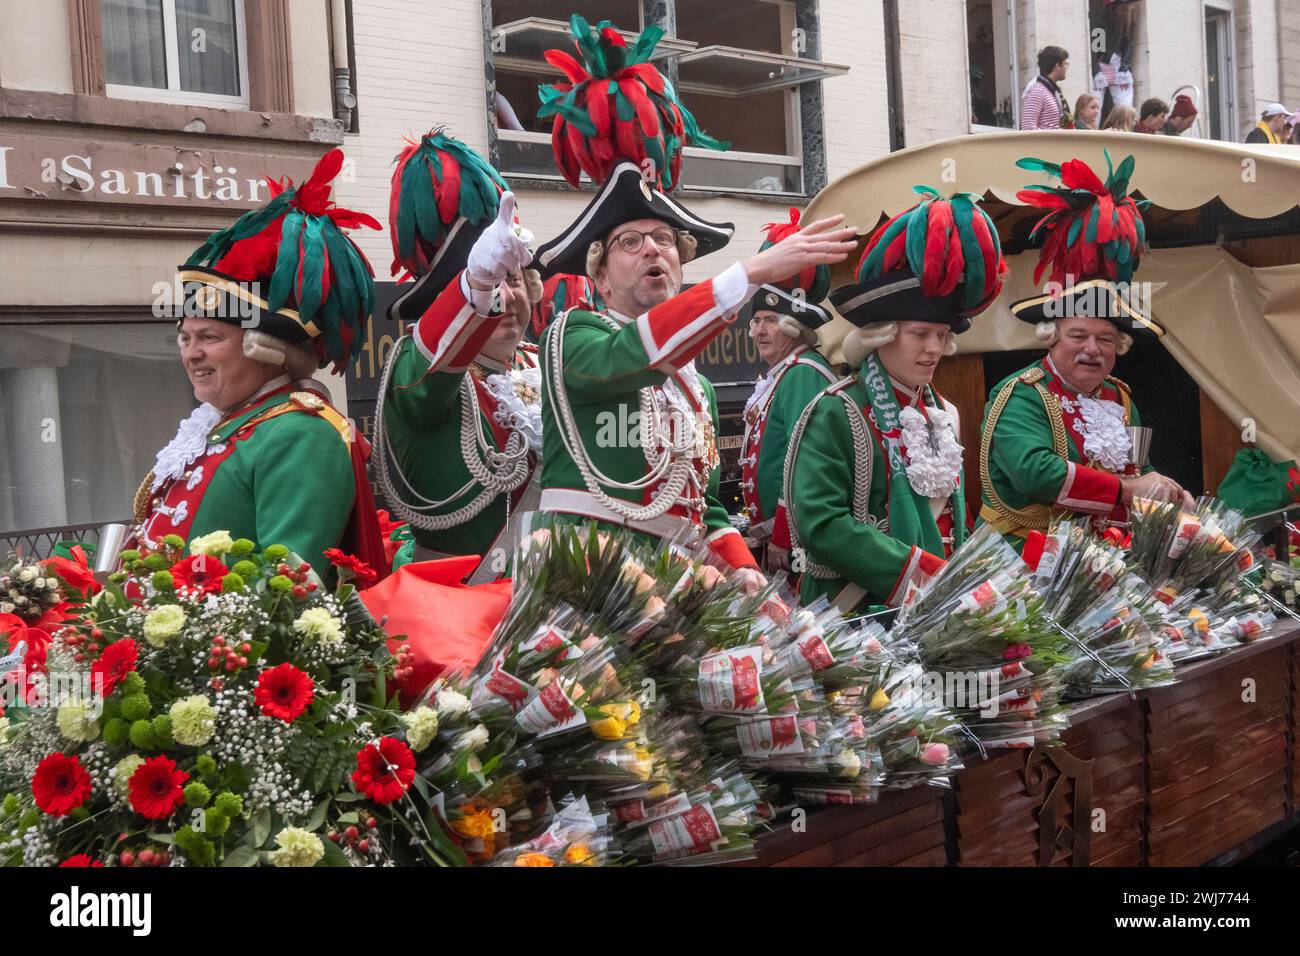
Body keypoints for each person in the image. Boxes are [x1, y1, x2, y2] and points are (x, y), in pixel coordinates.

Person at [527, 18, 857, 592]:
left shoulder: (695, 387)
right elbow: (631, 355)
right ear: (598, 276)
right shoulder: (572, 337)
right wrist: (750, 273)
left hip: (671, 600)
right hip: (581, 592)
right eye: (631, 242)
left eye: (666, 241)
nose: (654, 249)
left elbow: (702, 509)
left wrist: (746, 573)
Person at [133, 149, 387, 575]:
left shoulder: (300, 432)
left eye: (210, 337)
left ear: (263, 348)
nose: (192, 352)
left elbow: (284, 586)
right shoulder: (224, 425)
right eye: (185, 338)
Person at [785, 188, 1007, 614]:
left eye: (942, 336)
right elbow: (822, 524)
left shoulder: (946, 412)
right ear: (884, 333)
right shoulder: (838, 409)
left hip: (939, 608)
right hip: (858, 614)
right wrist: (927, 576)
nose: (933, 349)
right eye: (919, 334)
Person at [979, 151, 1193, 552]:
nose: (1092, 349)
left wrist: (1168, 491)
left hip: (1104, 559)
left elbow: (1138, 470)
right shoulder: (1022, 394)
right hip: (1023, 563)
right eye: (1078, 335)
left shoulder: (1118, 397)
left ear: (1120, 346)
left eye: (1106, 339)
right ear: (1052, 336)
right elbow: (1038, 475)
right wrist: (1130, 490)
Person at [373, 131, 540, 580]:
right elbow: (433, 364)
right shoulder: (416, 363)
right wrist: (478, 282)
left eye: (515, 281)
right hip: (455, 607)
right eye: (492, 284)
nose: (505, 298)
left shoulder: (545, 366)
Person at [736, 209, 839, 574]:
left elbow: (804, 459)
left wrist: (782, 531)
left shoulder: (803, 374)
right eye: (757, 322)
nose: (761, 331)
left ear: (795, 328)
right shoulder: (784, 374)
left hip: (795, 540)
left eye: (772, 322)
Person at [1020, 46, 1072, 130]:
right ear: (1057, 66)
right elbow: (1028, 127)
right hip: (1047, 143)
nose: (1066, 68)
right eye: (1065, 64)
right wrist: (1050, 140)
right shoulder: (1037, 91)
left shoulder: (1052, 91)